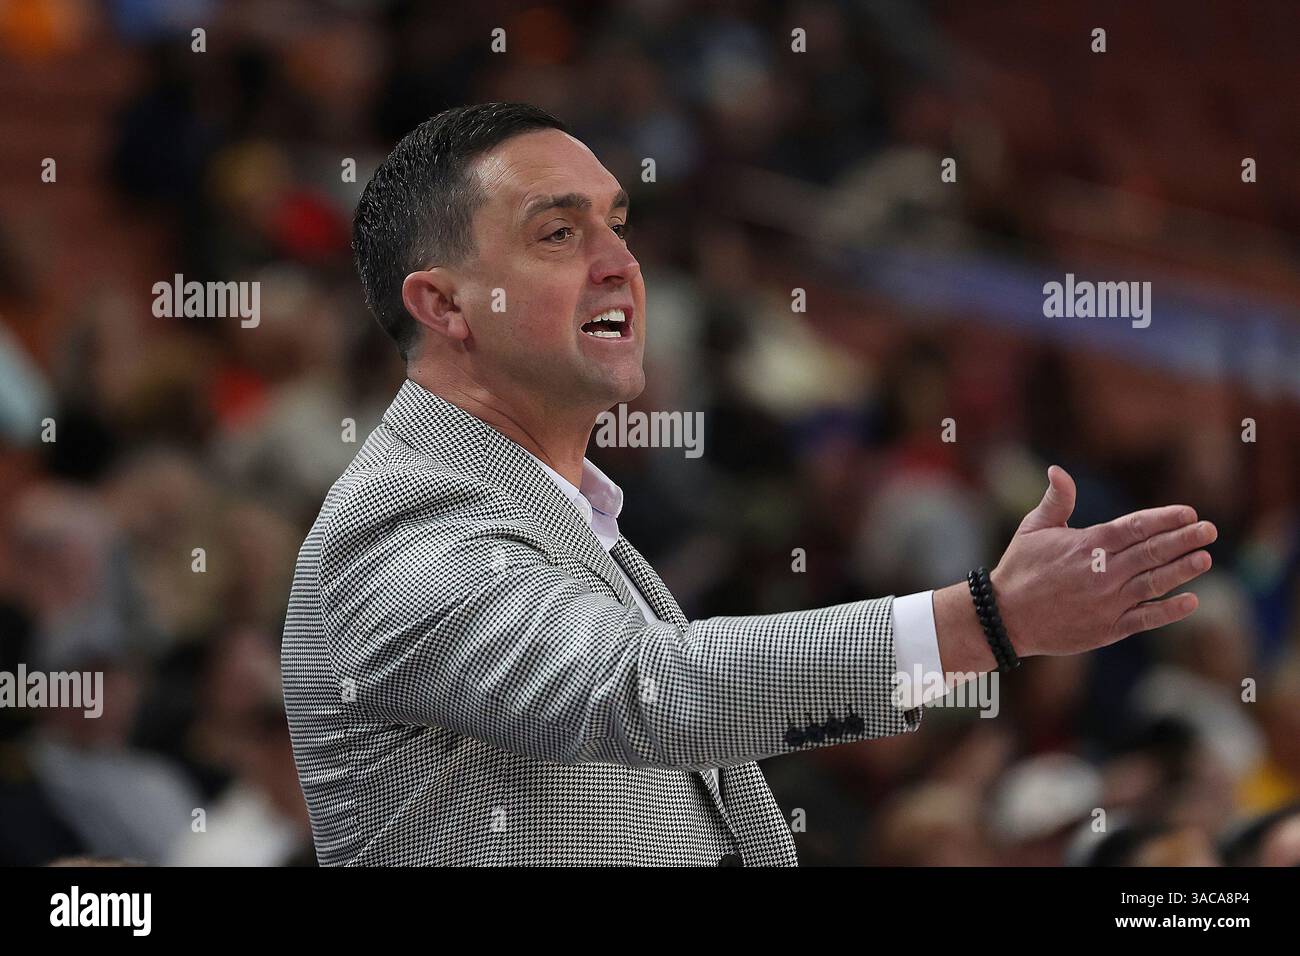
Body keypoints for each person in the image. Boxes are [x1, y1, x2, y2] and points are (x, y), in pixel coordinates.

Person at [280, 102, 1218, 866]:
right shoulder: (402, 517)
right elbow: (639, 692)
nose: (620, 262)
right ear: (443, 304)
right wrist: (983, 621)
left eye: (618, 222)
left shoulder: (559, 516)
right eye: (559, 233)